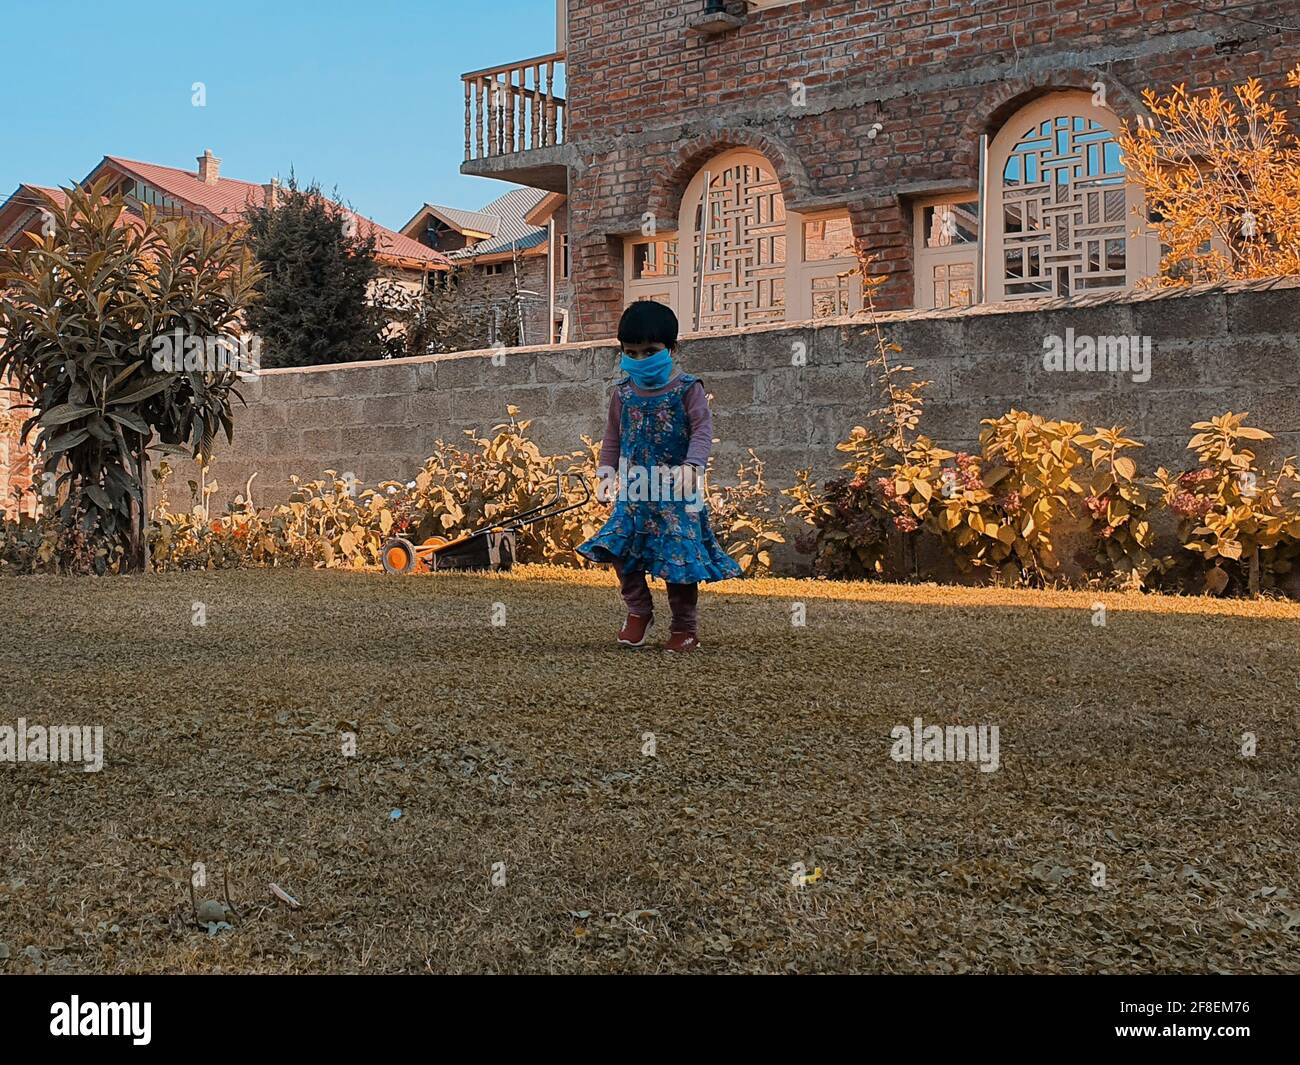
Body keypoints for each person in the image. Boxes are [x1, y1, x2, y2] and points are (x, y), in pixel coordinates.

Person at [578, 301, 742, 653]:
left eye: (650, 351)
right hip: (635, 493)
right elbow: (613, 437)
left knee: (678, 560)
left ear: (672, 349)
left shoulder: (687, 389)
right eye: (631, 353)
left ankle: (684, 627)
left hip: (678, 494)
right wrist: (605, 475)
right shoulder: (622, 394)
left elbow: (702, 429)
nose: (640, 360)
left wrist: (693, 466)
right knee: (621, 549)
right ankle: (639, 611)